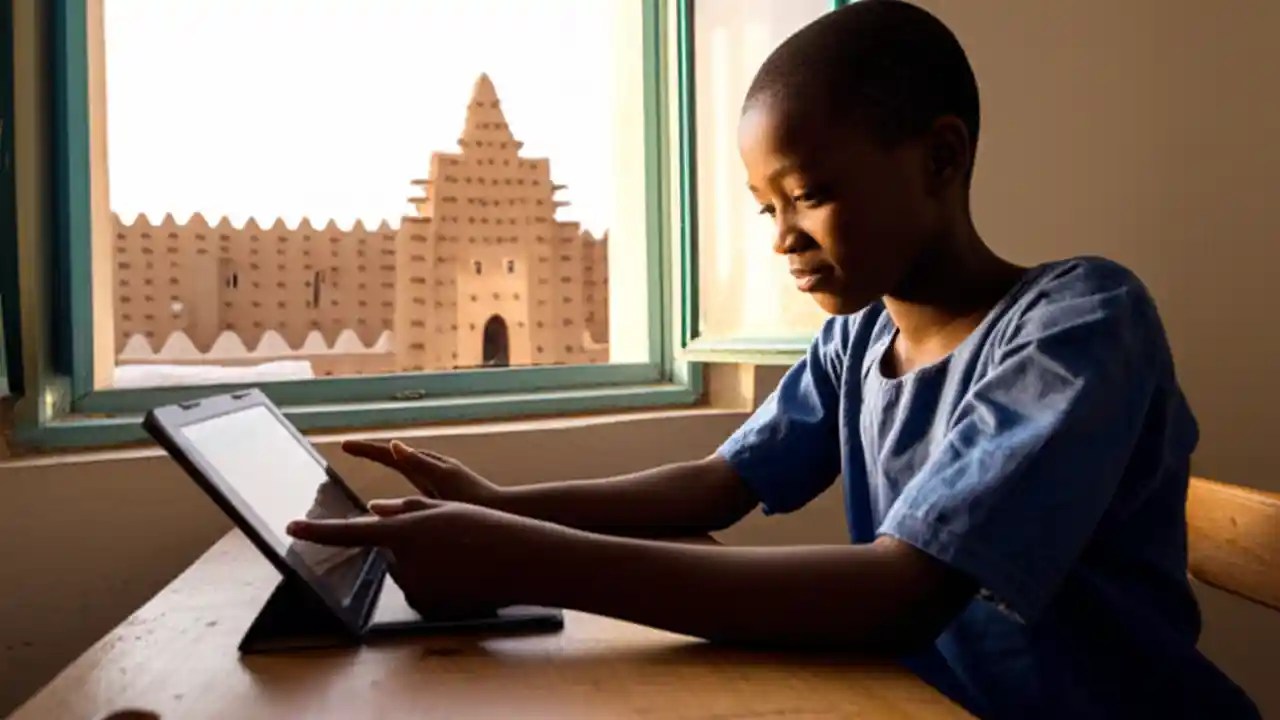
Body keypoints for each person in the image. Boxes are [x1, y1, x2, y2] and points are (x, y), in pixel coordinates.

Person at [287, 2, 1258, 717]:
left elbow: (901, 591)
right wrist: (497, 506)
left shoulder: (1079, 321)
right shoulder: (854, 338)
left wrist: (527, 559)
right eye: (766, 208)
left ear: (939, 158)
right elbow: (711, 489)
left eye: (810, 193)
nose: (782, 238)